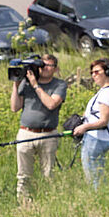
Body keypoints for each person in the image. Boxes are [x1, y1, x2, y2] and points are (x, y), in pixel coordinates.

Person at [11, 54, 67, 201]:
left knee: (48, 173)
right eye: (42, 65)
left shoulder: (59, 85)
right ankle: (24, 203)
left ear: (55, 68)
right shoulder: (26, 83)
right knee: (23, 174)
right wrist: (16, 85)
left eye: (49, 65)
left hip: (48, 134)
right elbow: (14, 107)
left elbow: (51, 104)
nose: (45, 68)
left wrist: (36, 85)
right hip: (26, 132)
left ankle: (49, 201)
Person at [72, 57, 109, 188]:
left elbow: (103, 121)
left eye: (97, 72)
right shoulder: (103, 91)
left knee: (93, 177)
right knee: (97, 175)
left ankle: (98, 199)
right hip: (96, 138)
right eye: (92, 72)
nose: (94, 75)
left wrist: (84, 127)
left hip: (96, 139)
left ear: (107, 72)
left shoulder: (108, 93)